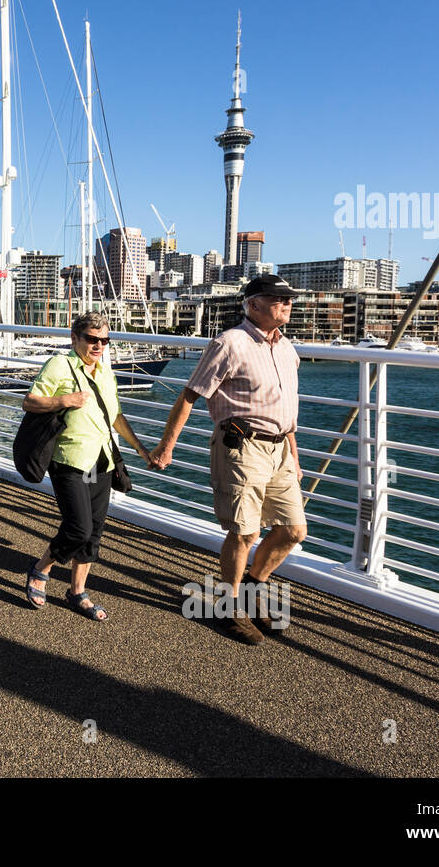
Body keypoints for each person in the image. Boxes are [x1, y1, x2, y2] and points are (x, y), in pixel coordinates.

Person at [150, 275, 309, 645]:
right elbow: (190, 395)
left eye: (289, 300)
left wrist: (295, 458)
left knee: (293, 530)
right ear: (253, 304)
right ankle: (229, 604)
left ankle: (253, 588)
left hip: (281, 449)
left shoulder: (288, 349)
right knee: (245, 531)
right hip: (242, 446)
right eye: (277, 299)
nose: (286, 304)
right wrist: (167, 446)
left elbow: (287, 413)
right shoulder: (230, 343)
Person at [22, 312, 157, 621]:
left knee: (94, 531)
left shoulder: (106, 373)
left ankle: (77, 592)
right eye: (92, 339)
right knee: (78, 528)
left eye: (104, 340)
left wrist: (141, 450)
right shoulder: (60, 365)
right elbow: (30, 402)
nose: (99, 345)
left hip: (102, 459)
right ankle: (41, 568)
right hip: (69, 458)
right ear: (76, 338)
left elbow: (116, 417)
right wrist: (63, 400)